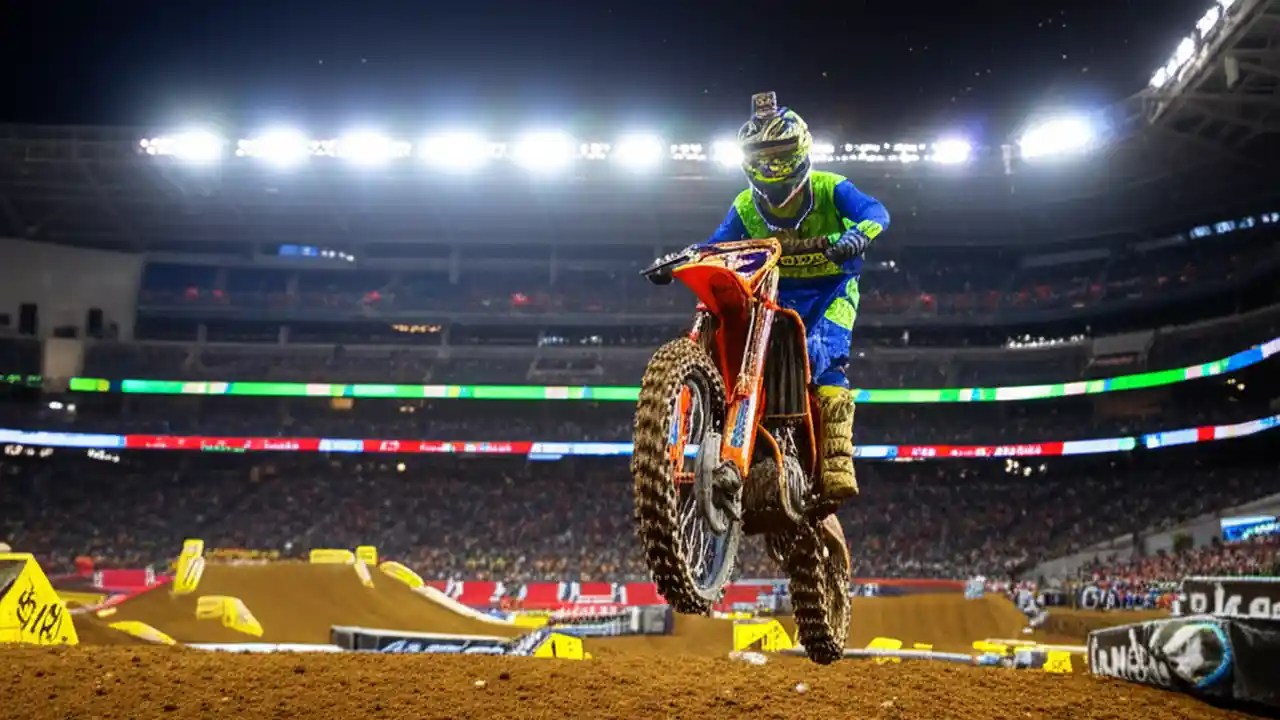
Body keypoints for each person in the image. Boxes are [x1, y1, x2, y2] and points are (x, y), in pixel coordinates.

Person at [703, 91, 890, 501]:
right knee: (747, 355)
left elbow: (877, 212)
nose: (772, 167)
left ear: (802, 151)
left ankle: (838, 458)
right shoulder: (744, 206)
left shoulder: (830, 188)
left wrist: (857, 235)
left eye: (782, 156)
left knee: (823, 355)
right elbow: (716, 245)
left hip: (833, 289)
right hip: (776, 292)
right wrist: (688, 259)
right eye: (762, 158)